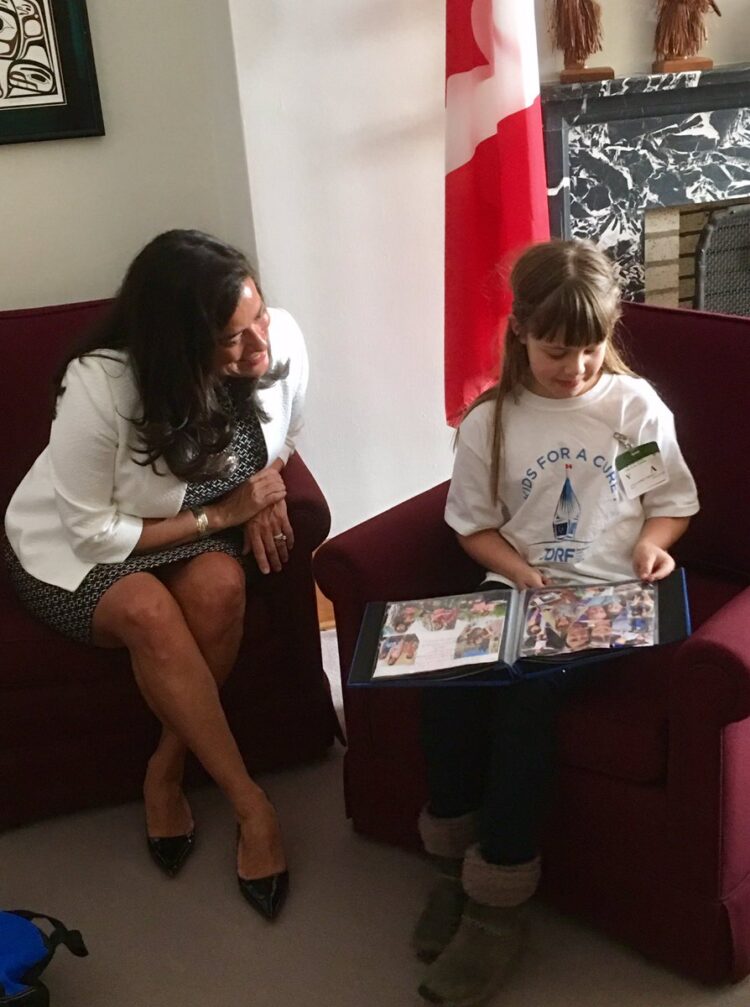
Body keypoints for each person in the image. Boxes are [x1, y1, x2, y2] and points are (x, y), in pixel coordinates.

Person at [411, 239, 699, 1005]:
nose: (576, 367)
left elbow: (669, 504)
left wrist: (651, 544)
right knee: (443, 684)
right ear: (520, 332)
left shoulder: (631, 408)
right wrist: (518, 571)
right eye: (556, 351)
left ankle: (497, 906)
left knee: (527, 699)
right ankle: (452, 867)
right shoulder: (491, 420)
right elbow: (474, 528)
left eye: (591, 348)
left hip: (606, 602)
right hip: (517, 592)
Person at [2, 229, 310, 921]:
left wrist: (268, 487)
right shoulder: (100, 387)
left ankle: (165, 767)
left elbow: (287, 430)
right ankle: (251, 805)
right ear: (179, 345)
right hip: (78, 546)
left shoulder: (277, 339)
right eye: (232, 338)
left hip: (195, 528)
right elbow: (91, 531)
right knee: (147, 611)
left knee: (222, 589)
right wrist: (223, 514)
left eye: (259, 317)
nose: (259, 346)